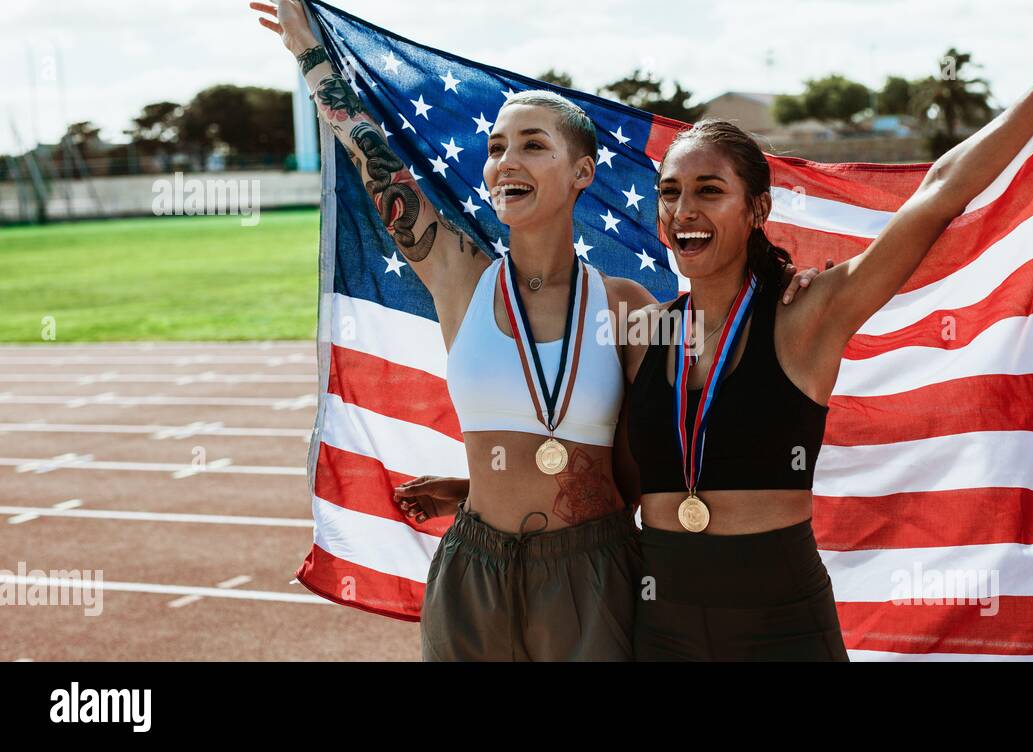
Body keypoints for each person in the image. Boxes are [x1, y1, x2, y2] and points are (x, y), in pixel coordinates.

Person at [251, 0, 821, 661]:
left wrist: (780, 291)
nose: (506, 161)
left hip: (592, 567)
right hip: (474, 564)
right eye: (496, 148)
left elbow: (692, 417)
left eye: (532, 145)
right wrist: (312, 59)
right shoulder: (460, 278)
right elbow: (377, 167)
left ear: (582, 172)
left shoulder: (626, 305)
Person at [621, 0, 1033, 660]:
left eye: (709, 190)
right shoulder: (639, 335)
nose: (684, 209)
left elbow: (938, 193)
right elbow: (608, 478)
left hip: (779, 617)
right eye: (670, 192)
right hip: (660, 612)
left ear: (756, 207)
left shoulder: (808, 315)